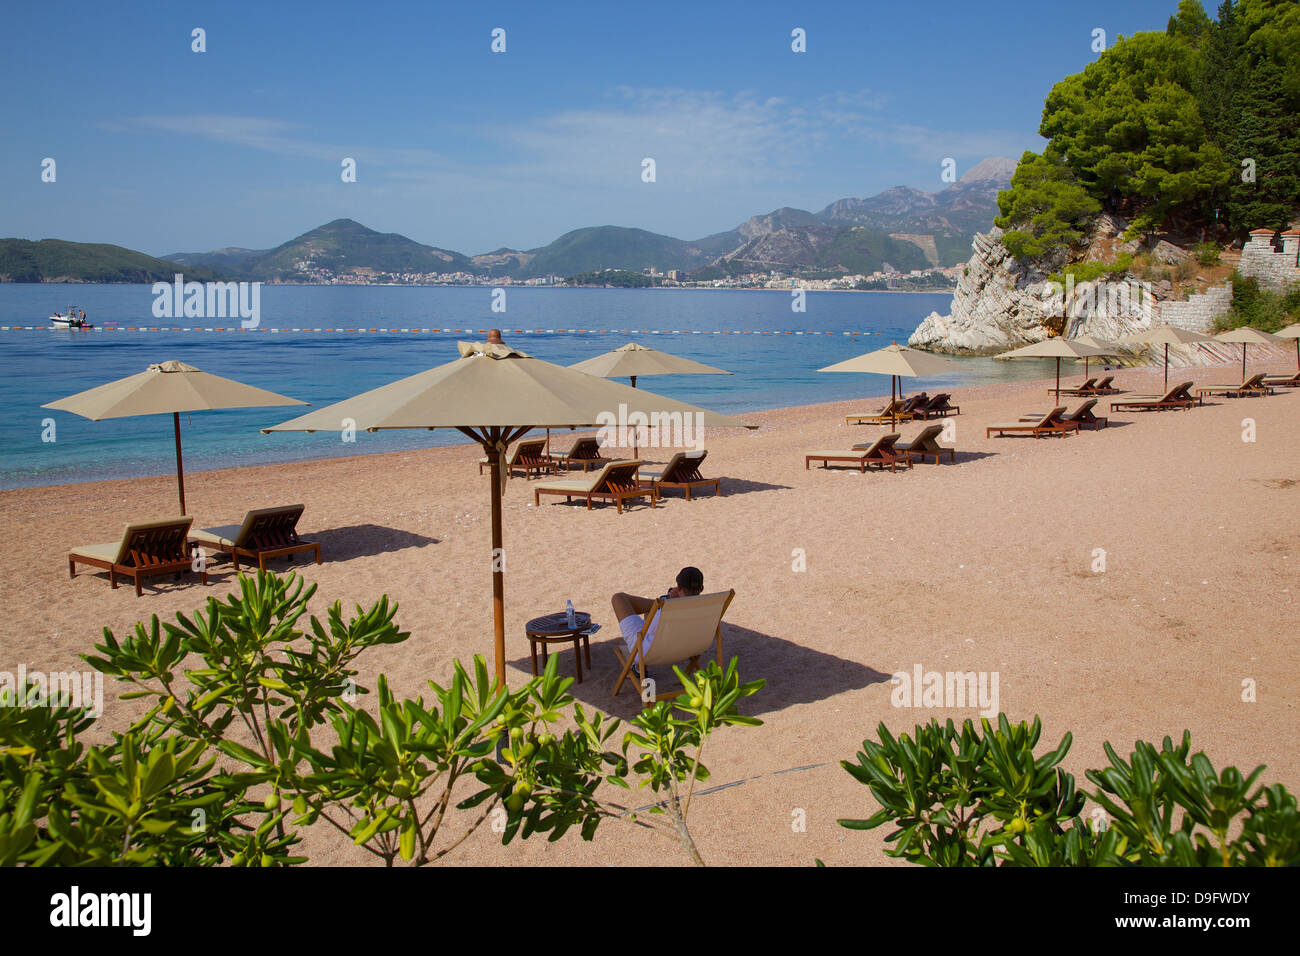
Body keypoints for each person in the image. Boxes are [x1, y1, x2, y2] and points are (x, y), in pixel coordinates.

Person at [612, 566, 704, 655]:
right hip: (686, 648)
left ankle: (639, 667)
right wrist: (671, 599)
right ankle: (661, 600)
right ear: (702, 588)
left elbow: (650, 630)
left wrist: (668, 601)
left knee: (618, 598)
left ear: (679, 587)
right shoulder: (706, 607)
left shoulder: (668, 610)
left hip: (645, 650)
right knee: (654, 605)